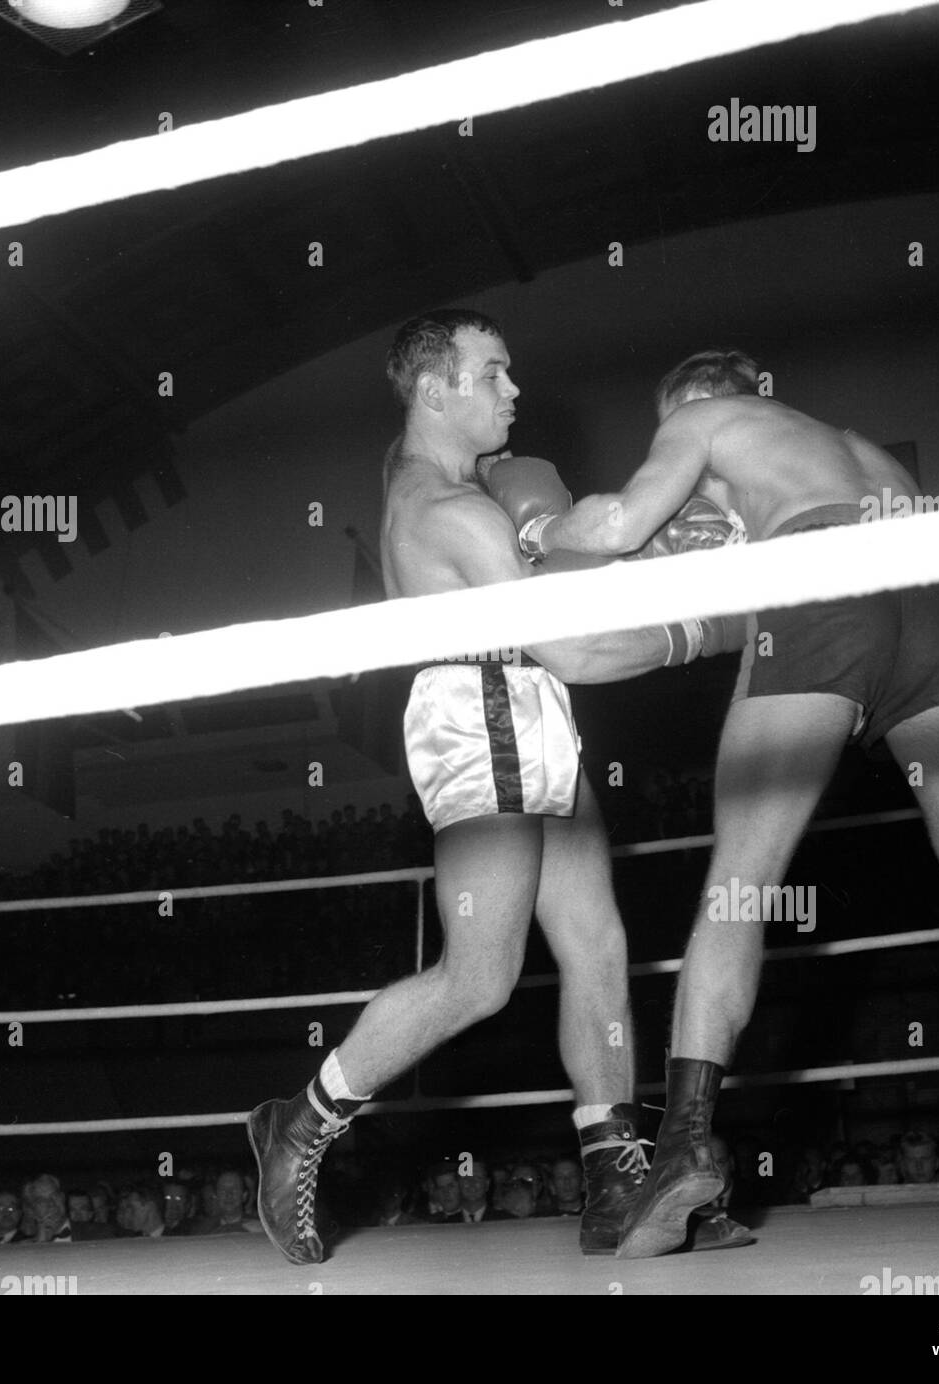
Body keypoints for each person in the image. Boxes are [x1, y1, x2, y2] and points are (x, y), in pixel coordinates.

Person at [522, 347, 939, 1254]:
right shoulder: (852, 449)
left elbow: (614, 523)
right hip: (932, 607)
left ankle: (683, 1146)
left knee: (740, 883)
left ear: (691, 405)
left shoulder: (700, 422)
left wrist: (541, 532)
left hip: (824, 581)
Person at [249, 308, 709, 1266]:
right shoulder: (448, 514)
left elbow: (494, 518)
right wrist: (696, 631)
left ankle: (614, 1178)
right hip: (483, 709)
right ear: (434, 390)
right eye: (492, 373)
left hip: (523, 703)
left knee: (597, 940)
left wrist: (539, 513)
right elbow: (577, 649)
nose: (514, 390)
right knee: (483, 976)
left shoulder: (443, 482)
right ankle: (302, 1120)